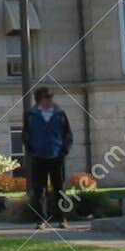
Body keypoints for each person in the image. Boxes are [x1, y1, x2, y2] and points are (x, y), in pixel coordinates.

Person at [23, 86, 73, 227]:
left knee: (59, 188)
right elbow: (26, 135)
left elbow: (67, 134)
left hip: (57, 156)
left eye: (50, 97)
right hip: (38, 156)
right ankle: (41, 219)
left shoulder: (60, 114)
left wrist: (64, 150)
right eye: (45, 97)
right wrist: (31, 150)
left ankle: (62, 218)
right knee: (39, 190)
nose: (48, 100)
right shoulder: (31, 115)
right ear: (38, 100)